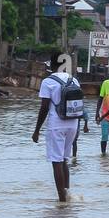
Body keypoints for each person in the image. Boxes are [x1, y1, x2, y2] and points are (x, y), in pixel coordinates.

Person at [33, 53, 83, 202]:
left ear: (52, 65)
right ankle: (67, 194)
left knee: (56, 161)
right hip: (73, 123)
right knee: (64, 160)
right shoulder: (73, 79)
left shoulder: (48, 82)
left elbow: (44, 108)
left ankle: (62, 200)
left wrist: (37, 130)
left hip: (57, 124)